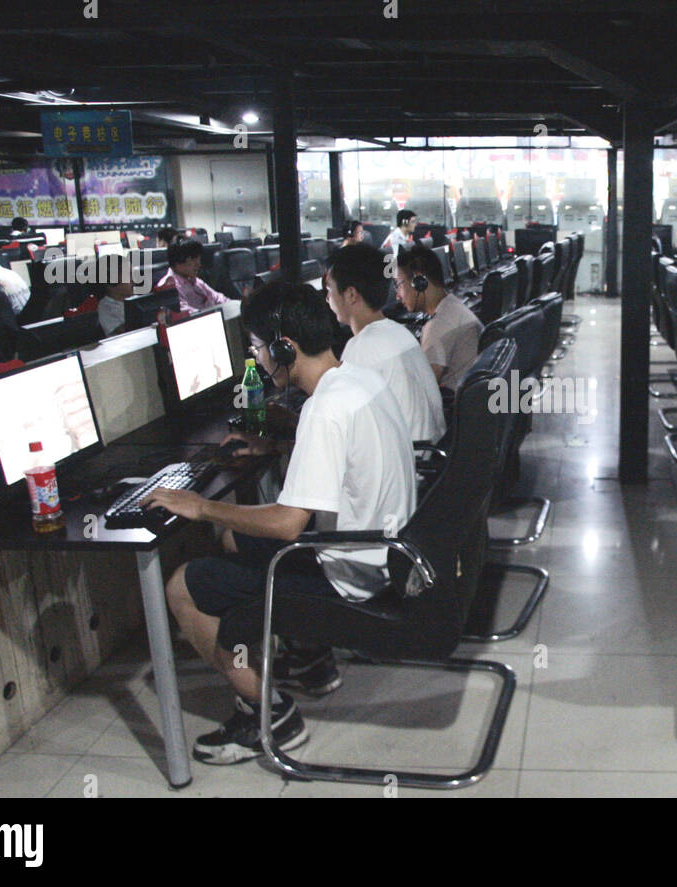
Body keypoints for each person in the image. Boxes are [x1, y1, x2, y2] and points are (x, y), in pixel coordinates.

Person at [141, 281, 417, 765]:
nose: (256, 358)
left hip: (351, 577)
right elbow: (342, 455)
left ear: (283, 347)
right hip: (387, 555)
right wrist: (285, 442)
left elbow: (288, 524)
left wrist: (198, 505)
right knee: (233, 538)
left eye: (256, 347)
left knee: (183, 586)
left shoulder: (326, 408)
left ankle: (269, 714)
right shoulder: (358, 380)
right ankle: (309, 663)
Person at [325, 243, 446, 442]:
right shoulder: (399, 332)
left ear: (351, 294)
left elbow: (340, 432)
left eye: (330, 290)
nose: (327, 298)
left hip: (410, 465)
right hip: (429, 456)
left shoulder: (362, 348)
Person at [396, 244, 484, 389]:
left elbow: (422, 391)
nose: (397, 296)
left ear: (419, 282)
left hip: (454, 407)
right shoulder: (452, 307)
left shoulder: (438, 327)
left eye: (399, 285)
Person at [157, 239, 228, 313]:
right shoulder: (167, 287)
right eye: (193, 260)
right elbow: (184, 315)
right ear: (177, 262)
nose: (199, 264)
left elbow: (218, 298)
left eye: (198, 259)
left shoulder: (195, 281)